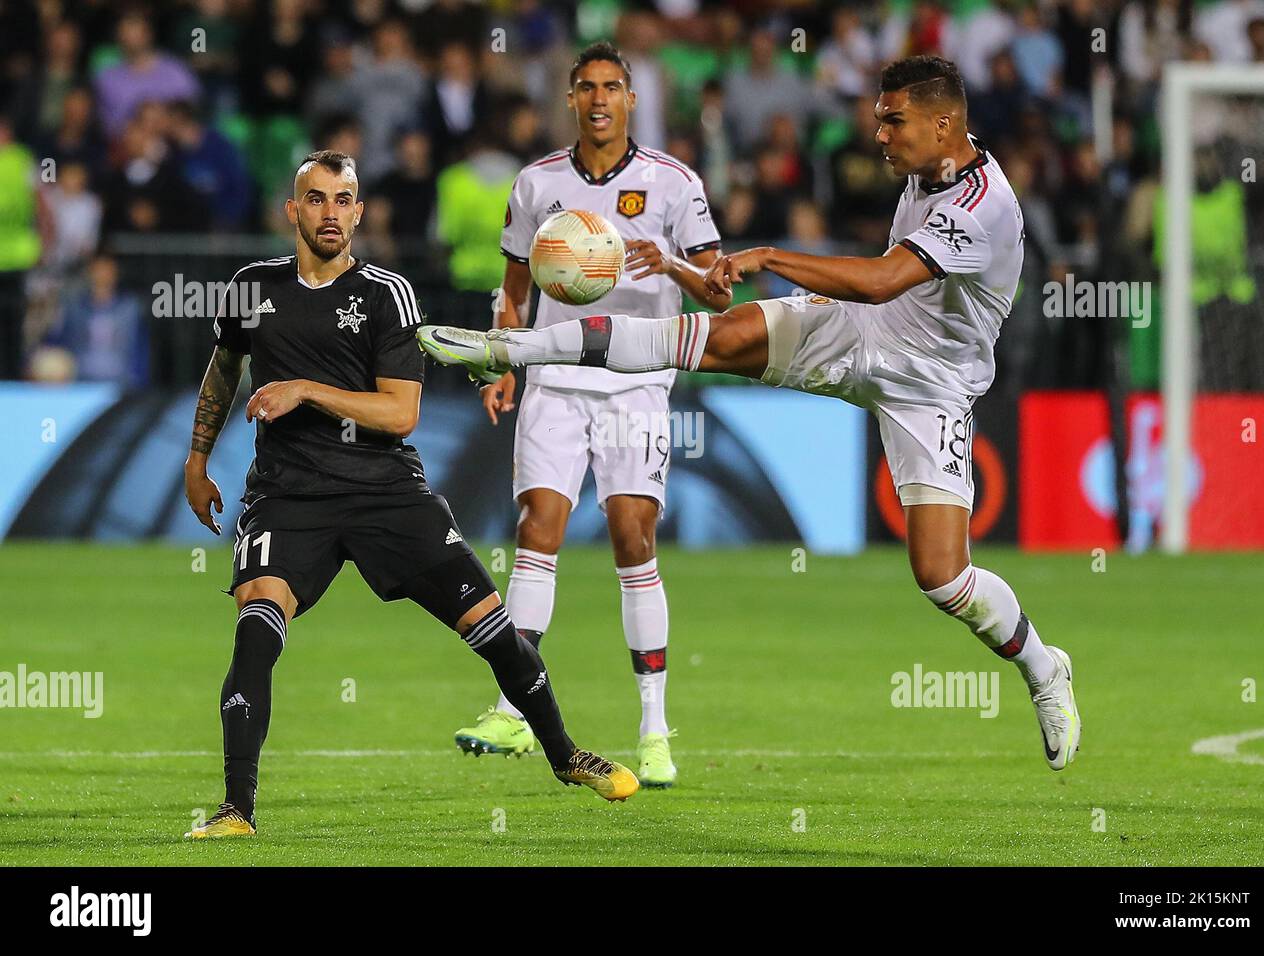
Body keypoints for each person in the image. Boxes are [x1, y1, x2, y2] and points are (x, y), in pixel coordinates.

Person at [420, 57, 1082, 772]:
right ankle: (506, 346)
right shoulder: (926, 172)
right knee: (704, 341)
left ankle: (1045, 668)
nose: (879, 133)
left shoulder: (985, 203)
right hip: (864, 334)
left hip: (933, 386)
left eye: (894, 119)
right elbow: (877, 297)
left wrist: (769, 254)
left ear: (944, 122)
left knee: (943, 577)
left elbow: (886, 277)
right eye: (878, 116)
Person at [182, 150, 637, 839]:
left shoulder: (386, 293)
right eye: (316, 199)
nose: (330, 213)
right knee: (256, 622)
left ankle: (566, 754)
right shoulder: (250, 287)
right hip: (287, 495)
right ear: (293, 209)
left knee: (494, 629)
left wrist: (305, 388)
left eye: (343, 201)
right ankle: (236, 809)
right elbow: (224, 367)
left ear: (360, 213)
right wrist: (197, 457)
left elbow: (400, 414)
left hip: (384, 491)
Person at [448, 43, 728, 789]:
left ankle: (654, 730)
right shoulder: (537, 183)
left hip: (636, 384)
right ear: (569, 100)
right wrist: (503, 359)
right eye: (586, 88)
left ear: (631, 99)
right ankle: (511, 708)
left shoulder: (673, 184)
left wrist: (670, 264)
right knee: (538, 528)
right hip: (555, 380)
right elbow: (512, 286)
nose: (599, 99)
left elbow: (721, 293)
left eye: (612, 87)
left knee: (633, 539)